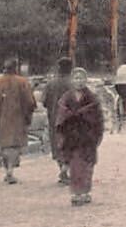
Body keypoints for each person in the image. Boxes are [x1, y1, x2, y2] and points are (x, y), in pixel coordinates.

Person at [54, 67, 104, 206]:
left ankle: (85, 192)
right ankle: (76, 193)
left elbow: (98, 117)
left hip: (87, 136)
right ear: (72, 80)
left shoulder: (92, 97)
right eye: (76, 78)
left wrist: (96, 132)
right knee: (75, 166)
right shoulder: (66, 97)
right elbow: (61, 114)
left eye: (81, 78)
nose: (79, 81)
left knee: (87, 165)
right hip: (72, 137)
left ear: (86, 80)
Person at [0, 57, 36, 183]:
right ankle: (10, 170)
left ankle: (8, 170)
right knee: (14, 146)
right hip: (18, 119)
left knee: (5, 145)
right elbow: (30, 102)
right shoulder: (22, 82)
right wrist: (27, 116)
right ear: (16, 68)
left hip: (2, 120)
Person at [41, 56, 74, 184]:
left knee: (57, 146)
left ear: (58, 68)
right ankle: (65, 170)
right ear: (71, 69)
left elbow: (44, 102)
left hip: (54, 120)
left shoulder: (50, 84)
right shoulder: (73, 85)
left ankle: (63, 169)